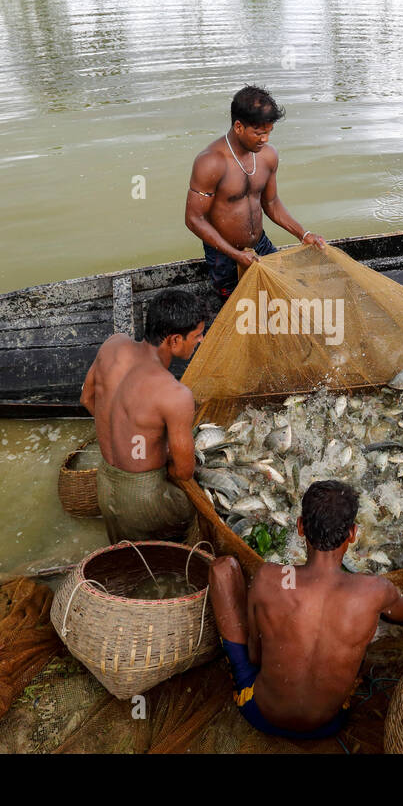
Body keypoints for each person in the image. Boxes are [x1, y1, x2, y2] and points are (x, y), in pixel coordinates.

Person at [208, 480, 403, 739]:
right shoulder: (375, 590)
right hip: (329, 723)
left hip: (261, 714)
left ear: (300, 527)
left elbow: (254, 657)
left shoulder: (269, 578)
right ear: (353, 534)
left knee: (223, 568)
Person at [78, 290, 206, 543]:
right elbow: (183, 471)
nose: (201, 340)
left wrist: (120, 433)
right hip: (144, 497)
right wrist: (161, 452)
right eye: (198, 335)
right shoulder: (175, 394)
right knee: (201, 511)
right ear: (175, 340)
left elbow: (86, 398)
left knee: (128, 556)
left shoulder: (112, 345)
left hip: (104, 484)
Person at [184, 85, 327, 300]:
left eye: (269, 132)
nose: (265, 140)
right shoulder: (211, 162)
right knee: (237, 308)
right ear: (239, 127)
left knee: (284, 295)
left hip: (259, 243)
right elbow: (194, 219)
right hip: (224, 254)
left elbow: (271, 203)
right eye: (259, 133)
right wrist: (236, 255)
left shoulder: (267, 156)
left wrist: (303, 234)